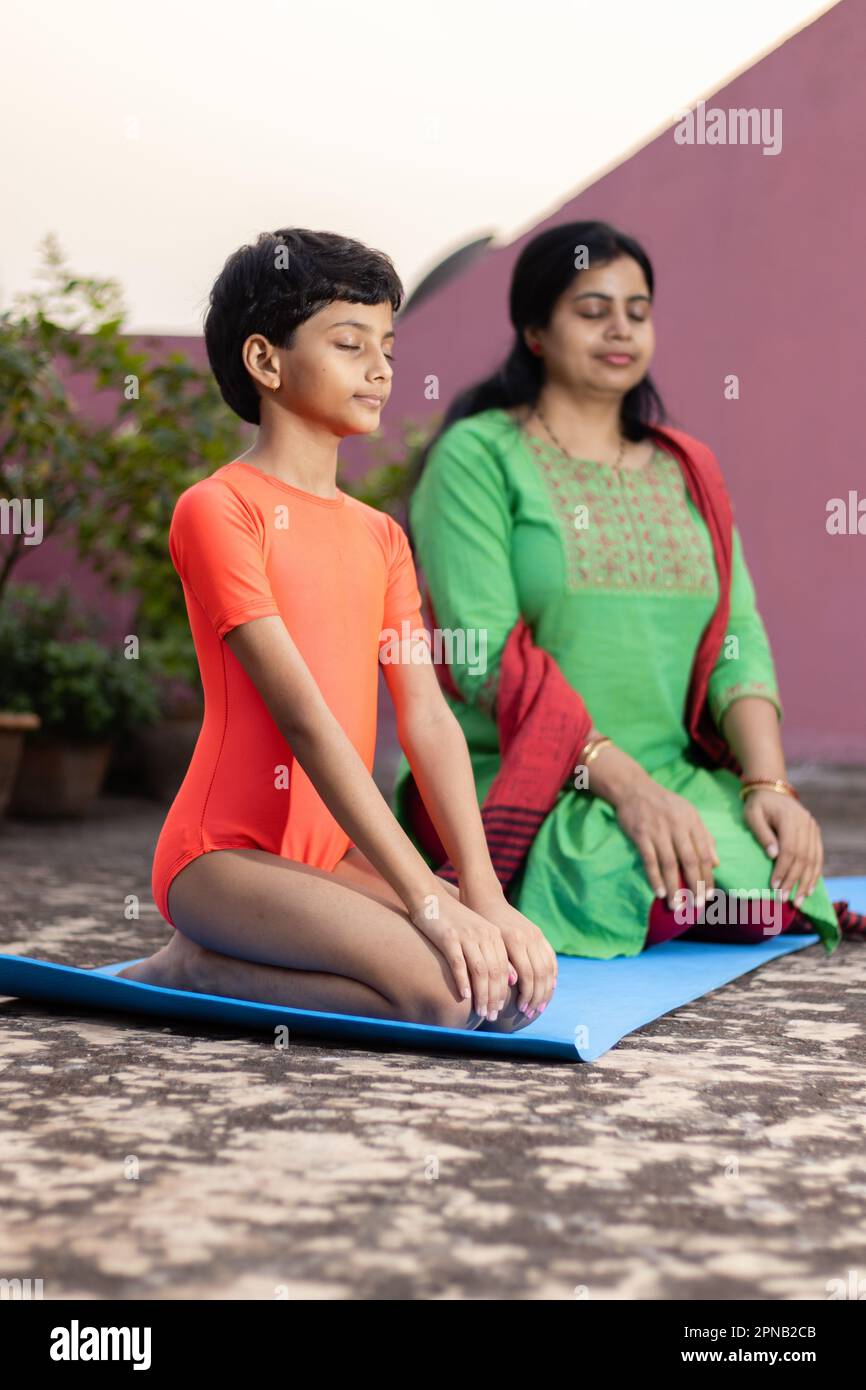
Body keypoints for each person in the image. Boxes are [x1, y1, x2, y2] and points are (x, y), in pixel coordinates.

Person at [121, 228, 557, 1033]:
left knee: (509, 992)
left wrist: (483, 893)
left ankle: (238, 960)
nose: (380, 368)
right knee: (448, 998)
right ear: (265, 361)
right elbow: (306, 722)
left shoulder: (380, 537)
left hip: (329, 855)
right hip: (226, 857)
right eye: (350, 343)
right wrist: (427, 900)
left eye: (387, 344)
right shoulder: (220, 510)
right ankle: (199, 964)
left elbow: (427, 721)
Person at [392, 220, 860, 958]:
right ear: (536, 330)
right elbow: (482, 653)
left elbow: (739, 637)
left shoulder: (686, 468)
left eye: (638, 311)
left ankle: (686, 844)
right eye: (593, 309)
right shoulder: (478, 456)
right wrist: (627, 789)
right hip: (531, 775)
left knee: (771, 866)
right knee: (630, 875)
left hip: (674, 775)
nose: (621, 329)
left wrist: (768, 785)